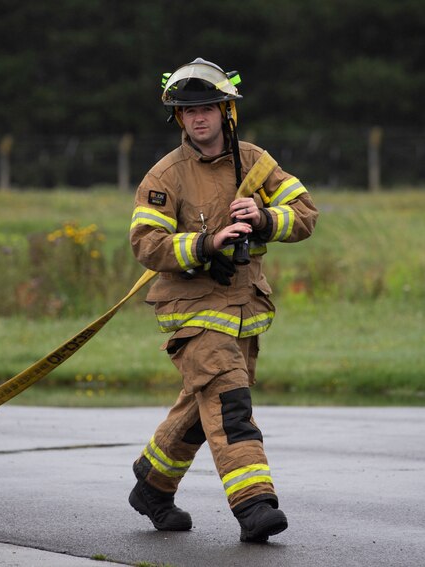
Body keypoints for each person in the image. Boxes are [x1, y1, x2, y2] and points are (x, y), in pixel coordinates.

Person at [127, 57, 318, 543]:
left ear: (226, 111)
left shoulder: (255, 163)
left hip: (244, 308)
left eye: (207, 107)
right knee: (231, 403)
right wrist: (205, 245)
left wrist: (263, 218)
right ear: (179, 118)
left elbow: (305, 214)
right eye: (188, 111)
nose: (198, 118)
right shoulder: (165, 176)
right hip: (192, 313)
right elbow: (146, 244)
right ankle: (255, 505)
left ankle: (152, 483)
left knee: (203, 406)